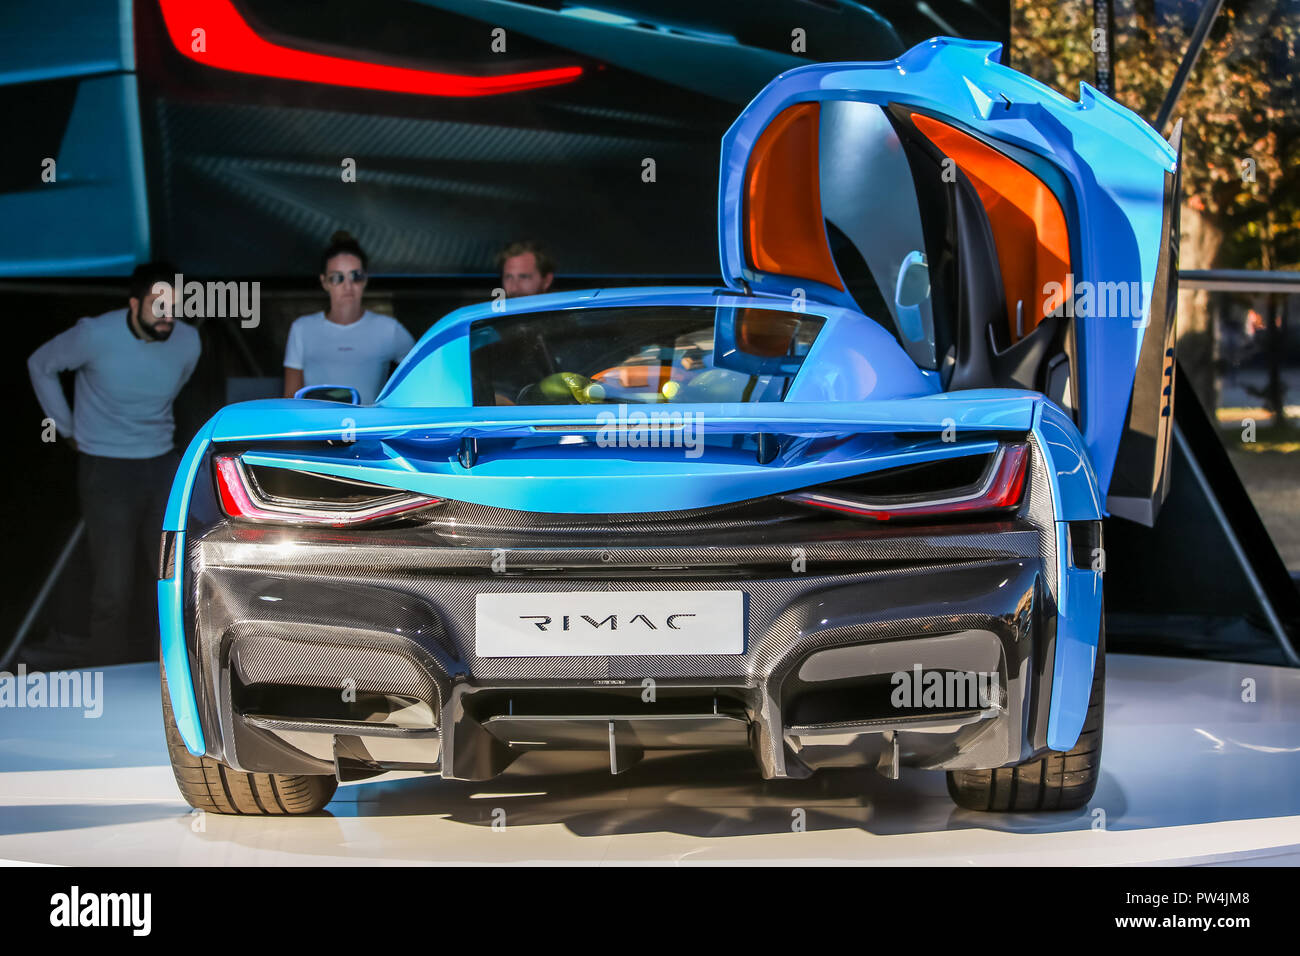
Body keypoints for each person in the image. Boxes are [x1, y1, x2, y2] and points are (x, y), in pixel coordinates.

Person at [27, 262, 201, 663]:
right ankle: (108, 674)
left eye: (174, 305)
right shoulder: (94, 334)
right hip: (107, 469)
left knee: (171, 577)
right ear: (134, 303)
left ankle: (173, 672)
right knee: (113, 587)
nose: (167, 315)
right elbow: (40, 364)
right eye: (158, 305)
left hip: (161, 465)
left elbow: (174, 384)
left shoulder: (188, 342)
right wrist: (65, 425)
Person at [283, 231, 415, 403]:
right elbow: (289, 399)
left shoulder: (389, 329)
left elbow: (423, 376)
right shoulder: (302, 328)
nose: (348, 285)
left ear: (365, 279)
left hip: (371, 429)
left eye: (356, 276)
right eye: (337, 278)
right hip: (318, 428)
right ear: (324, 282)